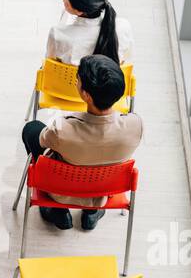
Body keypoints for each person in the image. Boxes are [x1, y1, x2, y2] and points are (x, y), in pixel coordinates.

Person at [22, 54, 143, 231]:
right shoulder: (135, 125)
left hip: (61, 192)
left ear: (85, 94)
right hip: (103, 190)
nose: (76, 81)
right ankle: (92, 211)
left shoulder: (62, 130)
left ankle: (57, 211)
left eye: (77, 78)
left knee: (31, 129)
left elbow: (42, 139)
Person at [46, 0, 134, 65]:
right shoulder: (123, 26)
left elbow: (50, 64)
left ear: (79, 11)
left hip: (71, 79)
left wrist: (62, 24)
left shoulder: (57, 33)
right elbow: (126, 60)